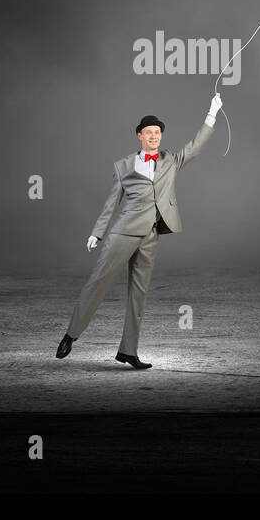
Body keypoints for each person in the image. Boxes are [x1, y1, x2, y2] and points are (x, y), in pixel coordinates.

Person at [56, 94, 222, 369]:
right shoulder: (123, 166)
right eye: (149, 132)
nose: (154, 136)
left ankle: (128, 351)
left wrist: (212, 114)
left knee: (139, 294)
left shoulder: (171, 160)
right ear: (139, 135)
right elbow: (111, 203)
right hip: (124, 232)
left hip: (151, 236)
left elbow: (195, 148)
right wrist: (97, 233)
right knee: (98, 283)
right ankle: (71, 335)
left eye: (158, 133)